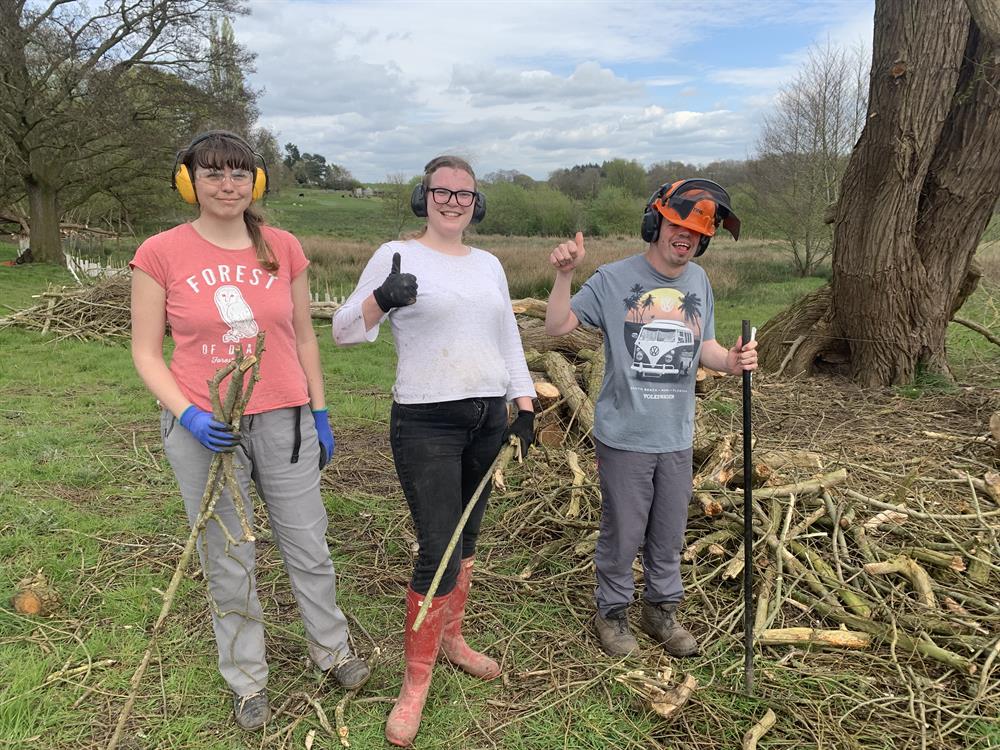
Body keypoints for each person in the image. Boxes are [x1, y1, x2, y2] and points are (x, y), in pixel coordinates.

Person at [129, 131, 369, 731]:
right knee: (228, 554)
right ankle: (246, 679)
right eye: (212, 173)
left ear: (256, 181)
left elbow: (304, 337)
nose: (227, 184)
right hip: (205, 426)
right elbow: (146, 353)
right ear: (188, 182)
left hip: (286, 418)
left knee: (308, 544)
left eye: (239, 173)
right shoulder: (159, 253)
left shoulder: (282, 246)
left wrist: (319, 411)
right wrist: (188, 414)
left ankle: (332, 649)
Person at [333, 155, 536, 747]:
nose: (452, 201)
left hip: (486, 418)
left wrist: (524, 404)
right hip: (427, 421)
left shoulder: (490, 264)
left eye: (463, 193)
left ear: (477, 203)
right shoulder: (395, 255)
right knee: (438, 549)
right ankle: (415, 682)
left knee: (466, 539)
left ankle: (452, 639)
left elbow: (507, 337)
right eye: (441, 191)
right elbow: (344, 330)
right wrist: (382, 298)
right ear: (424, 197)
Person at [544, 179, 757, 658]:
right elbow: (557, 326)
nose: (686, 237)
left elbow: (705, 347)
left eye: (697, 232)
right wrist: (564, 275)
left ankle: (661, 610)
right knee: (623, 531)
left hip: (676, 435)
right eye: (677, 225)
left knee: (669, 533)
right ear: (654, 224)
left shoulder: (698, 282)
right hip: (625, 435)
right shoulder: (613, 278)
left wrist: (732, 360)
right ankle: (612, 612)